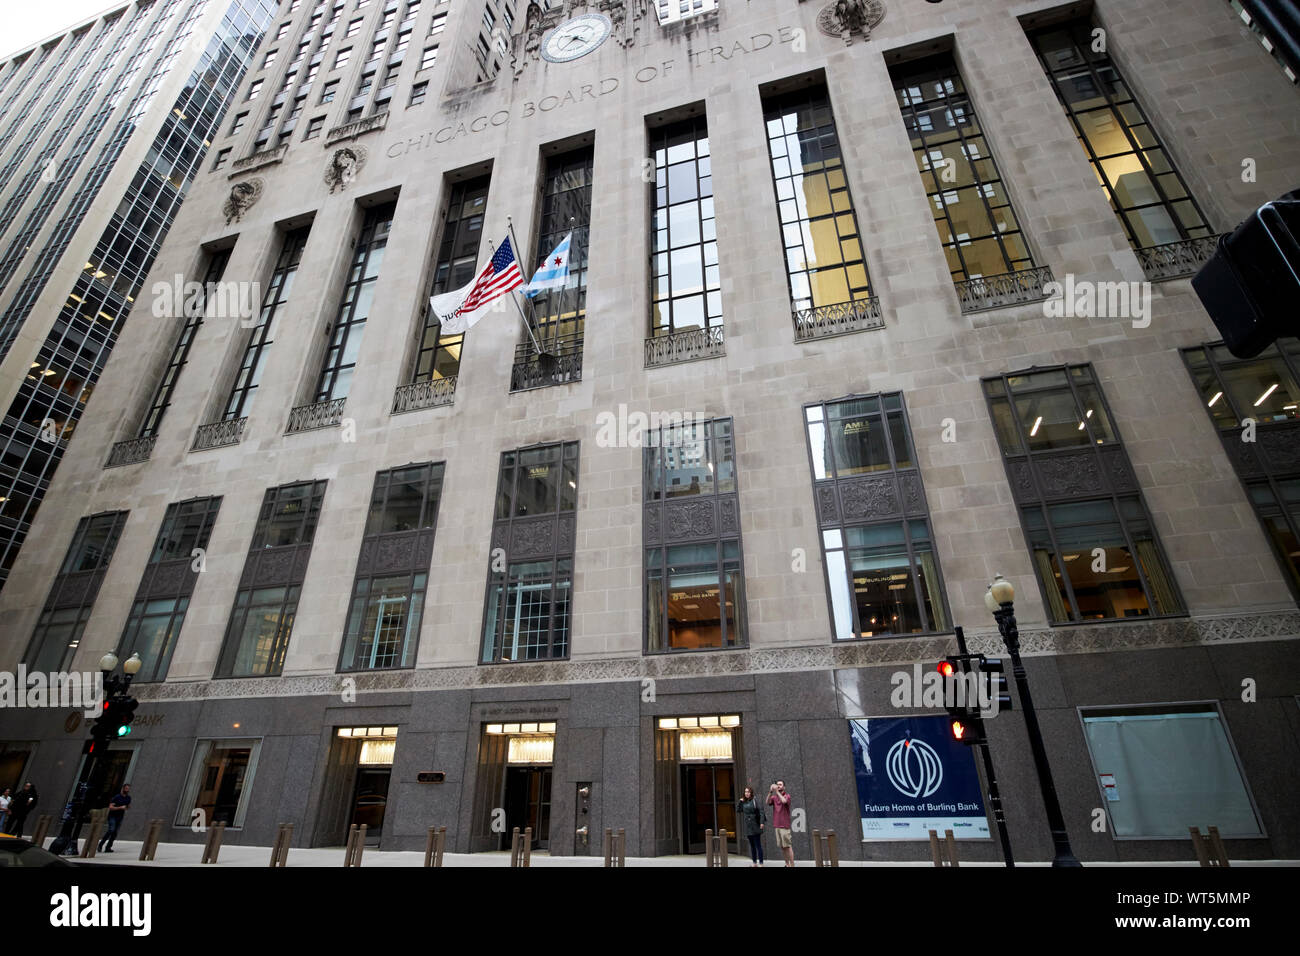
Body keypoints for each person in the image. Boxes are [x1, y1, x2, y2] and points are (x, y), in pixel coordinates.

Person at [767, 780, 794, 867]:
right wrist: (770, 792)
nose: (778, 786)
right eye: (777, 784)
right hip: (777, 825)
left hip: (785, 825)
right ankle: (787, 864)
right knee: (782, 847)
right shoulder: (774, 797)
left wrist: (777, 792)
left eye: (780, 784)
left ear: (784, 787)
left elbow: (784, 801)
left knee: (788, 846)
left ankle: (792, 865)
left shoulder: (787, 796)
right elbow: (767, 802)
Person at [98, 784, 131, 853]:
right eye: (126, 788)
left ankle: (108, 847)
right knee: (111, 830)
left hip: (120, 817)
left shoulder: (128, 798)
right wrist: (120, 807)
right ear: (123, 788)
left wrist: (127, 807)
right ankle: (100, 844)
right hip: (112, 816)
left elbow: (127, 806)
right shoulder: (117, 797)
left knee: (115, 833)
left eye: (128, 789)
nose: (127, 790)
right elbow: (110, 807)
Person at [737, 786, 766, 867]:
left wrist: (761, 823)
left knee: (758, 845)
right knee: (752, 845)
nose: (747, 793)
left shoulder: (755, 800)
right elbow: (738, 810)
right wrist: (740, 802)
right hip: (748, 826)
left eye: (748, 792)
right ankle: (754, 863)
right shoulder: (743, 802)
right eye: (746, 792)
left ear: (751, 793)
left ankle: (761, 863)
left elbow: (761, 812)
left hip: (755, 824)